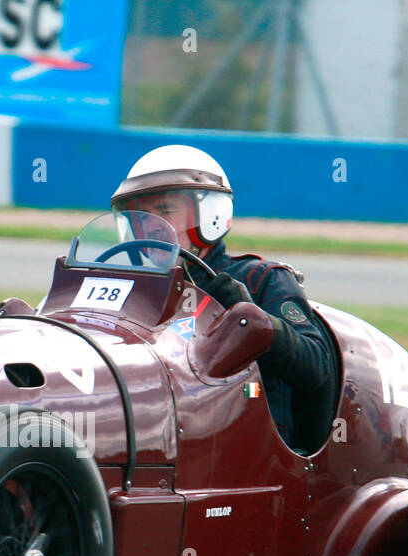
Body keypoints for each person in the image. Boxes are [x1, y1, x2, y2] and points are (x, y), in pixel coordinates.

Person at [111, 145, 338, 451]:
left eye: (165, 211)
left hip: (248, 450)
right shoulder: (132, 288)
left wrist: (252, 317)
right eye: (141, 216)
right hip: (157, 436)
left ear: (210, 214)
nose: (152, 227)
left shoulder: (260, 279)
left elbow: (318, 366)